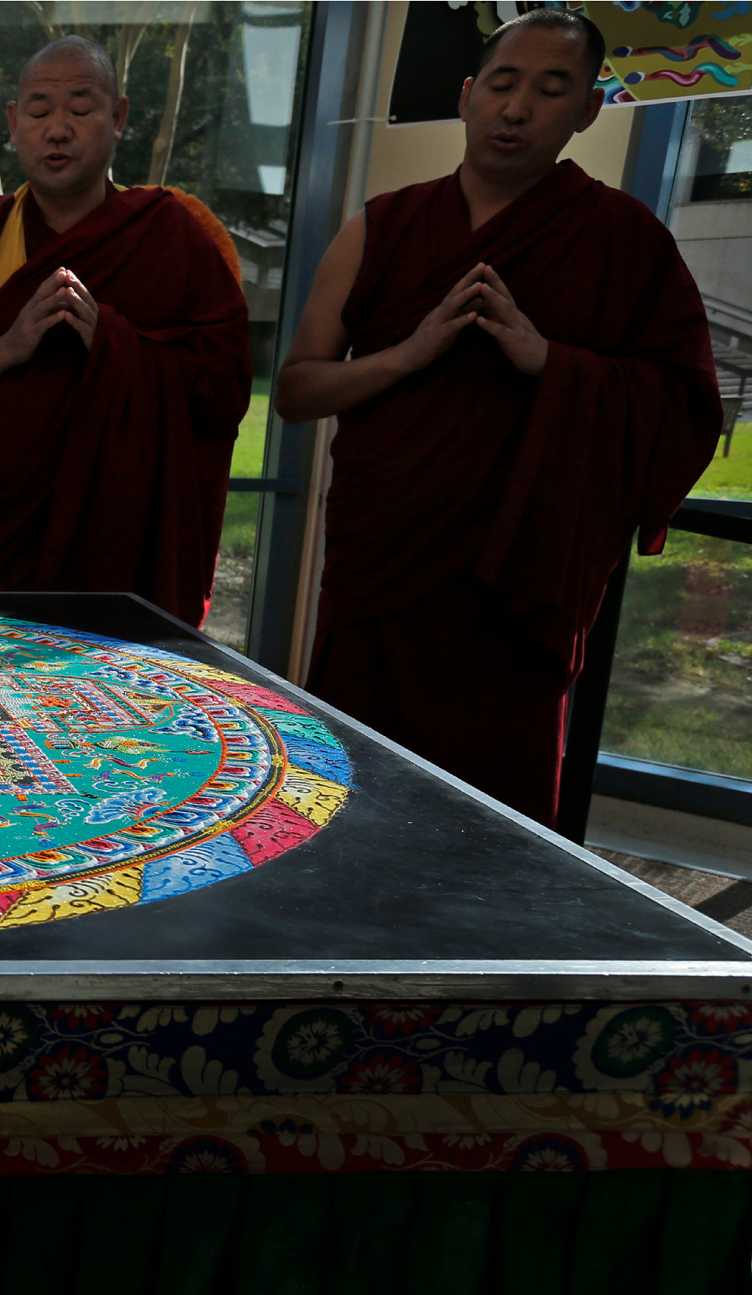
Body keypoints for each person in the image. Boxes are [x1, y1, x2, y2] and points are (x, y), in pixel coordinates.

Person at [277, 9, 720, 824]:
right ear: (467, 95)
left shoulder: (624, 240)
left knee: (491, 822)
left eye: (551, 90)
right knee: (351, 795)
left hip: (520, 592)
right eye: (503, 84)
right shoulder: (382, 225)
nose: (517, 109)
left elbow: (687, 411)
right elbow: (298, 390)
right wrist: (408, 354)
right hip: (383, 568)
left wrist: (550, 361)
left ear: (587, 109)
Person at [0, 36, 251, 622]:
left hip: (121, 548)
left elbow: (224, 391)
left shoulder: (170, 237)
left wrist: (113, 341)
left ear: (119, 117)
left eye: (80, 109)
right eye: (39, 112)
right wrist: (9, 347)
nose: (57, 129)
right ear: (13, 123)